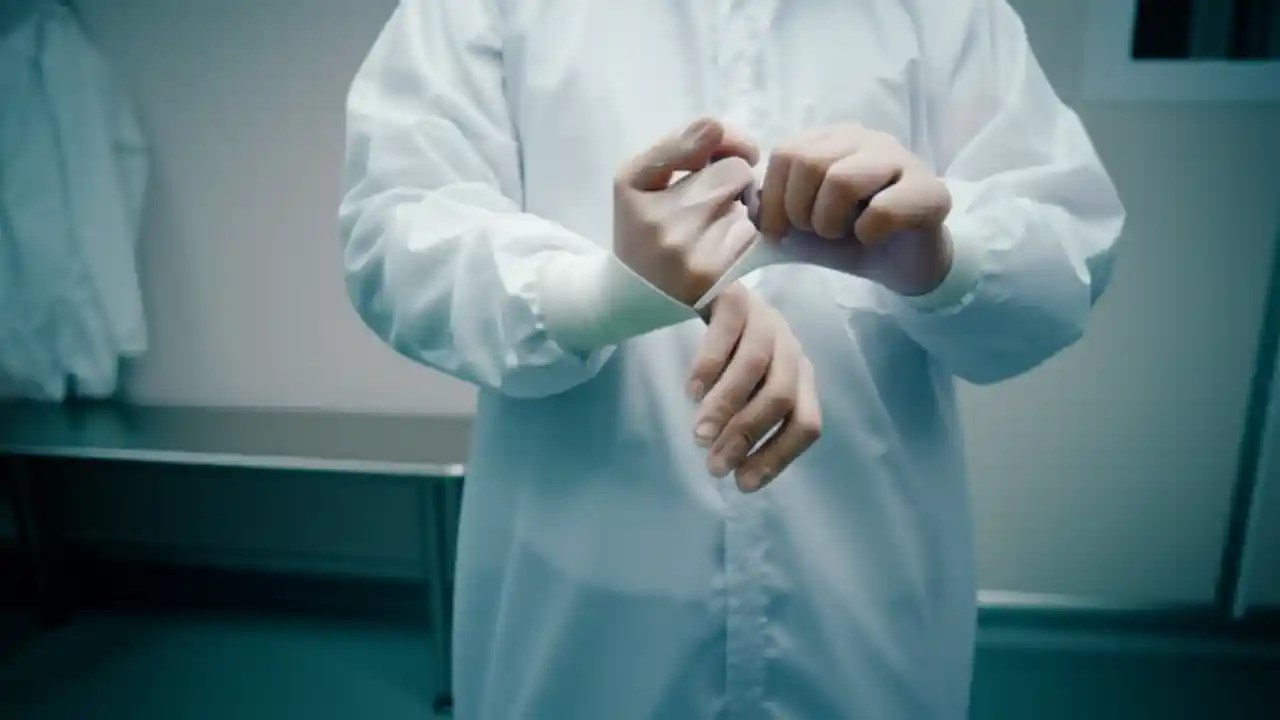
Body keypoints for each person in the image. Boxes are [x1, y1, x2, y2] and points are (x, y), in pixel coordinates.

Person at [339, 0, 1124, 716]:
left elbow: (1067, 246)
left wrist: (947, 256)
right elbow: (398, 236)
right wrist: (600, 296)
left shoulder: (947, 13)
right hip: (585, 606)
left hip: (862, 601)